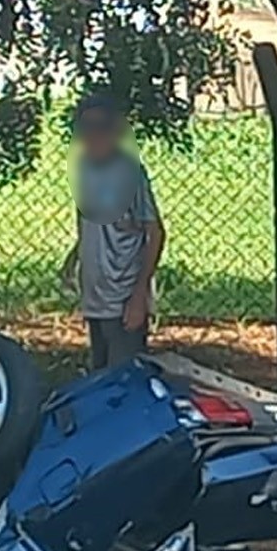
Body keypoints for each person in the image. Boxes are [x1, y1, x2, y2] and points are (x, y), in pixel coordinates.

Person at [70, 93, 165, 369]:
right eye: (84, 129)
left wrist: (139, 296)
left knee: (123, 379)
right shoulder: (82, 170)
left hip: (123, 295)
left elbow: (156, 233)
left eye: (99, 129)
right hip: (95, 294)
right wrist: (76, 255)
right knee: (98, 374)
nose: (91, 137)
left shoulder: (130, 173)